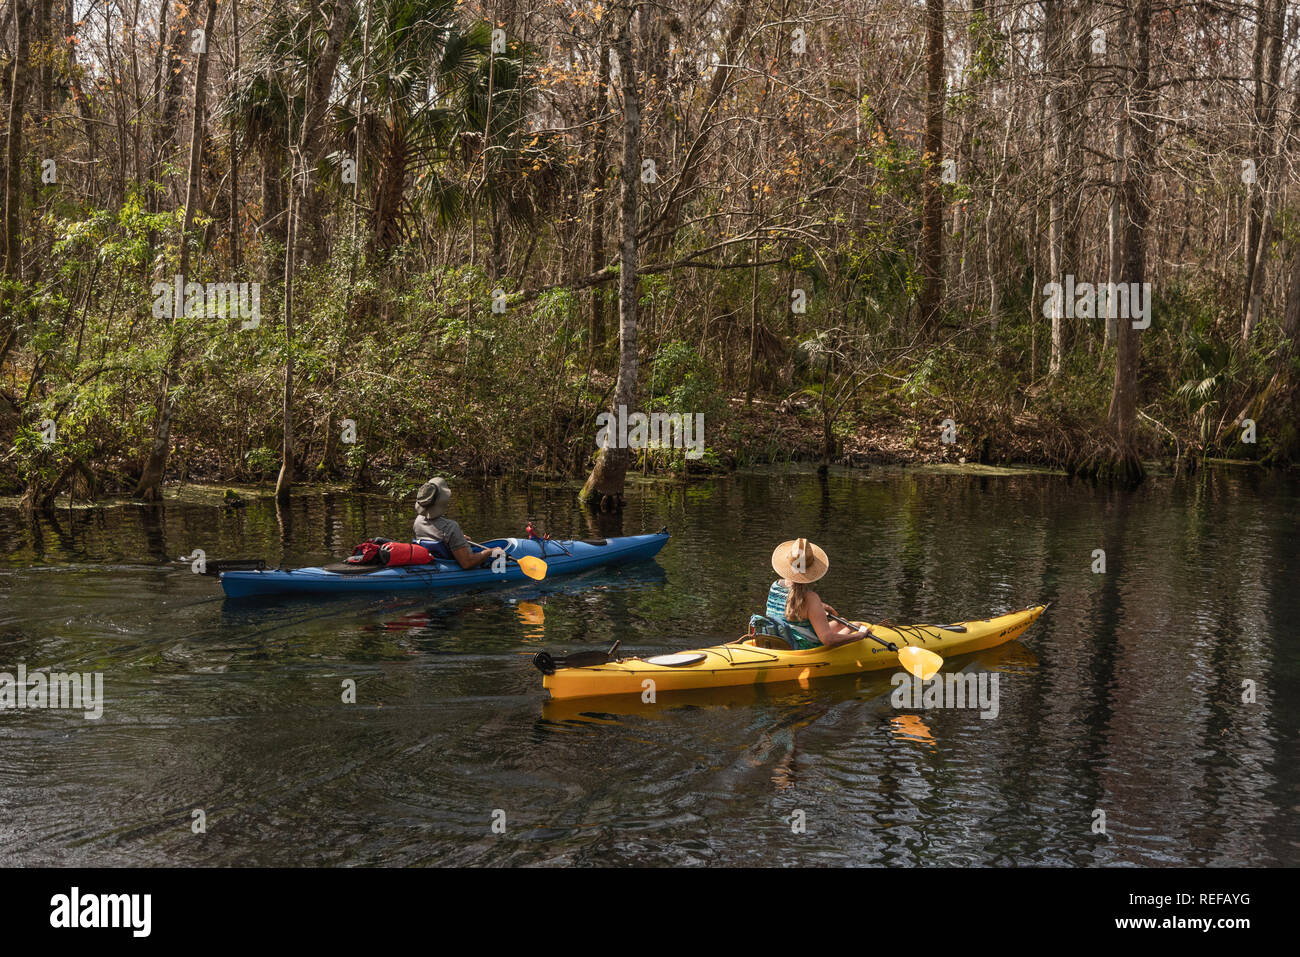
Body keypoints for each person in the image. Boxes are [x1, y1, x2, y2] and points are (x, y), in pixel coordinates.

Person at [764, 538, 868, 649]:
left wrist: (820, 606)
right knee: (856, 626)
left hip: (781, 639)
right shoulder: (810, 598)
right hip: (801, 648)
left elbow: (791, 601)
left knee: (842, 622)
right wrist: (859, 636)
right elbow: (828, 640)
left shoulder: (775, 586)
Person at [413, 477, 503, 569]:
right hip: (460, 562)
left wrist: (458, 538)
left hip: (439, 559)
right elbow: (467, 563)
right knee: (495, 549)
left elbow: (435, 536)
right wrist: (491, 552)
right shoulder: (450, 527)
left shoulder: (418, 521)